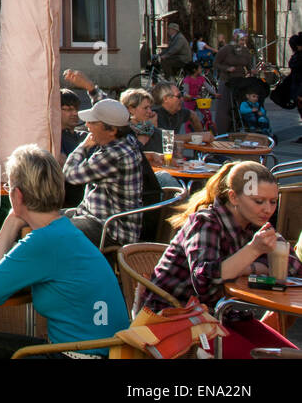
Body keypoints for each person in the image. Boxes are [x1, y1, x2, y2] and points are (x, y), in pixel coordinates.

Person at [0, 145, 129, 358]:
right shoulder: (65, 230)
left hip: (76, 355)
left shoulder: (42, 241)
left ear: (16, 195)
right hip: (103, 350)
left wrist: (11, 221)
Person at [139, 162, 301, 359]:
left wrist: (249, 267)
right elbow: (204, 283)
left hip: (224, 316)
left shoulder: (253, 226)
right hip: (176, 318)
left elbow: (294, 267)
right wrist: (254, 252)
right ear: (233, 197)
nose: (267, 209)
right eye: (259, 201)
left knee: (289, 356)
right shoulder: (206, 222)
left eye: (273, 201)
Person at [62, 98, 145, 246]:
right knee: (40, 218)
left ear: (112, 130)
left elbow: (69, 175)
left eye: (93, 122)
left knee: (52, 232)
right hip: (96, 216)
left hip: (111, 228)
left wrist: (83, 146)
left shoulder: (114, 155)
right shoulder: (126, 140)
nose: (87, 125)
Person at [213, 30, 253, 135]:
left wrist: (252, 71)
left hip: (240, 80)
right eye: (241, 39)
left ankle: (240, 126)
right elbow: (216, 63)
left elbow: (249, 66)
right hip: (227, 80)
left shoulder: (245, 51)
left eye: (244, 40)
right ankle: (221, 131)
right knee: (224, 105)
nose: (243, 42)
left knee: (241, 105)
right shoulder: (226, 49)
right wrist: (227, 68)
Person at [179, 61, 216, 134]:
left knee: (207, 113)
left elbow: (208, 87)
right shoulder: (187, 79)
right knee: (189, 116)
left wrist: (215, 93)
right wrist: (187, 95)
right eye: (199, 68)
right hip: (189, 100)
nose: (201, 69)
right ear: (194, 70)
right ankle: (189, 132)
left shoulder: (201, 78)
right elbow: (185, 90)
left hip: (198, 99)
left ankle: (205, 126)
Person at [58, 89, 86, 167]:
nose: (75, 113)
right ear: (56, 110)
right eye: (69, 109)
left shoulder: (85, 137)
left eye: (76, 109)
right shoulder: (53, 140)